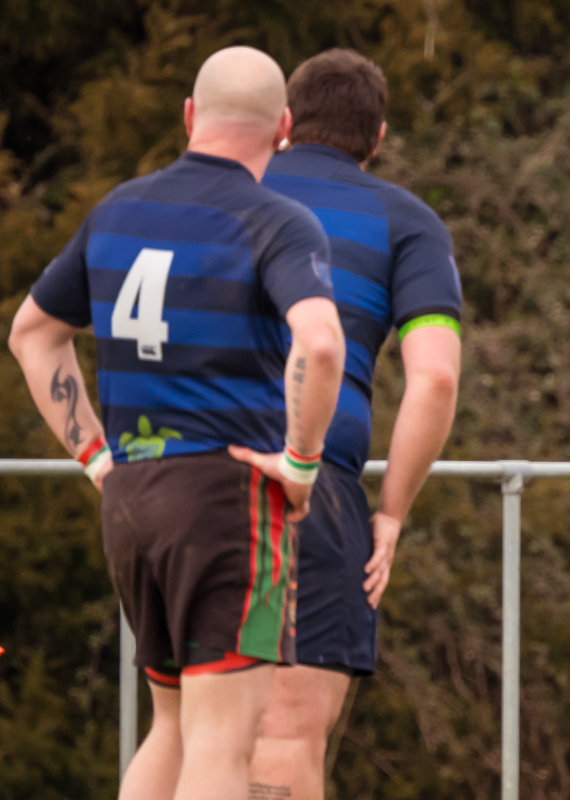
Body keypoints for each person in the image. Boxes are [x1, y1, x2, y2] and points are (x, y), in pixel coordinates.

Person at [8, 47, 346, 800]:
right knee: (225, 745)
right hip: (227, 504)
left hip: (132, 497)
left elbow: (31, 333)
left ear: (189, 116)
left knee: (173, 728)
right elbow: (321, 344)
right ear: (284, 128)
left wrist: (97, 458)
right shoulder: (276, 221)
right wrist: (299, 464)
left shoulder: (117, 209)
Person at [246, 49, 462, 799]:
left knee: (195, 732)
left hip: (187, 476)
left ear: (283, 125)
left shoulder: (223, 194)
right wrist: (392, 513)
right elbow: (434, 376)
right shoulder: (405, 220)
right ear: (377, 136)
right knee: (284, 734)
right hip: (312, 485)